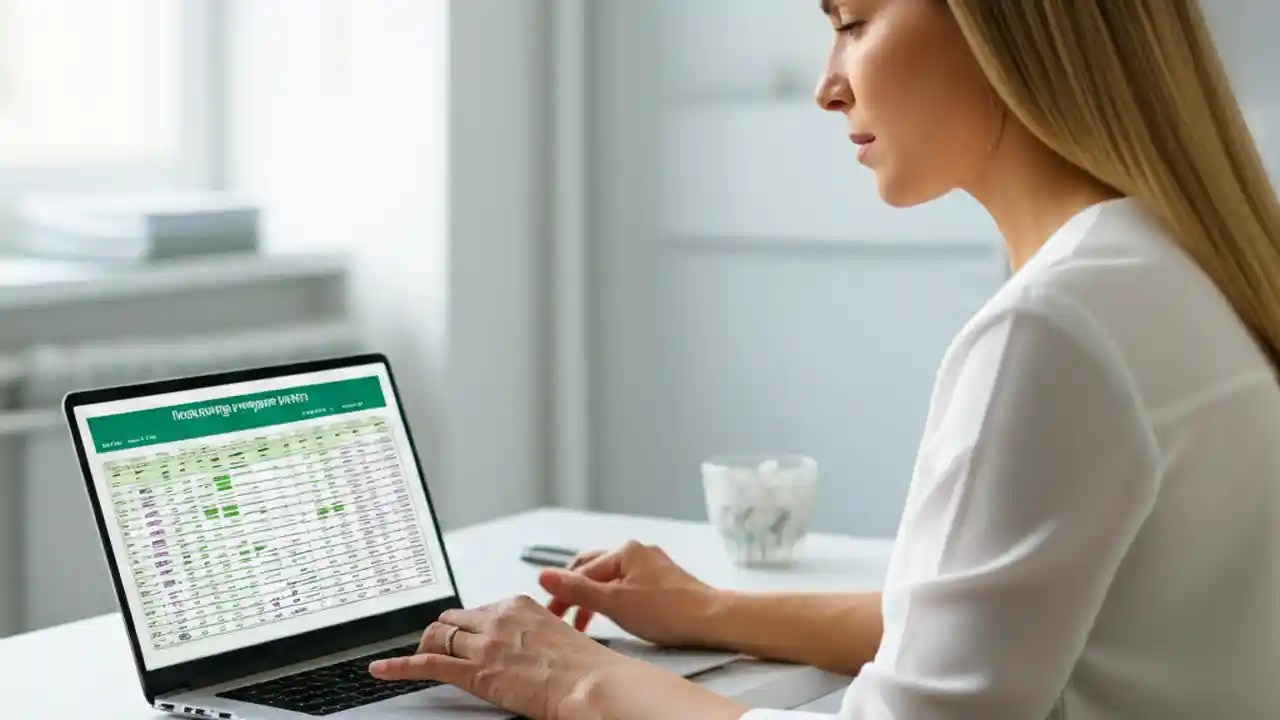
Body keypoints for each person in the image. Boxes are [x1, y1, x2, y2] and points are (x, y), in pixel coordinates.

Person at [368, 0, 1280, 717]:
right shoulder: (1176, 265)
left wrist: (572, 680)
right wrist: (710, 611)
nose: (828, 86)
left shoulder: (1056, 329)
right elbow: (988, 633)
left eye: (851, 24)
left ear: (1000, 26)